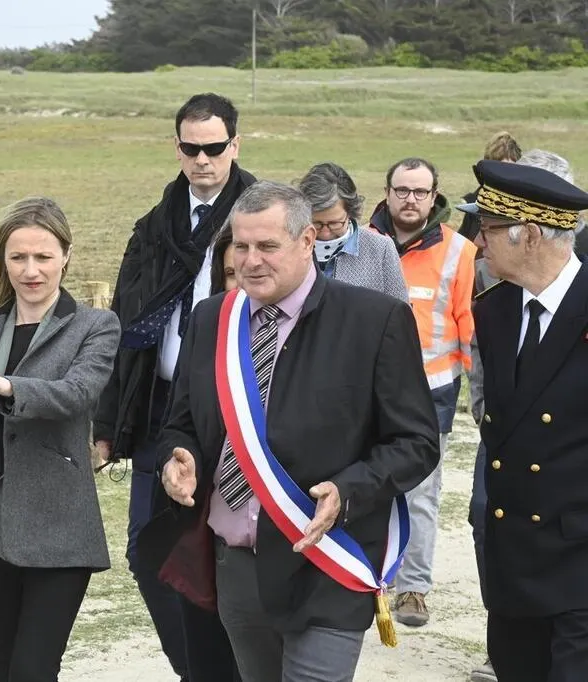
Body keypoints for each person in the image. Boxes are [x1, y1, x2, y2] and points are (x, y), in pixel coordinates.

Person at [147, 180, 439, 681]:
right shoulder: (212, 318)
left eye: (267, 246)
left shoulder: (373, 320)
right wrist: (180, 458)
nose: (250, 261)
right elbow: (182, 423)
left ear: (307, 242)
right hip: (237, 566)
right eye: (241, 246)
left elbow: (416, 443)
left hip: (325, 559)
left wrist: (349, 489)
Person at [93, 92, 256, 681]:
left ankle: (237, 666)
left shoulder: (260, 218)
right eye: (191, 148)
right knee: (147, 549)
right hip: (163, 403)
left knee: (225, 548)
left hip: (240, 404)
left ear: (235, 145)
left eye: (215, 147)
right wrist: (110, 424)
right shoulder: (155, 224)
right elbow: (123, 320)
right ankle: (197, 668)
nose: (203, 159)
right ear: (178, 147)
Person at [0, 197, 120, 682]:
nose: (31, 269)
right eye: (18, 257)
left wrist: (4, 386)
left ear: (66, 255)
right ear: (2, 260)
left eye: (43, 257)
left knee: (32, 671)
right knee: (5, 671)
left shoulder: (96, 325)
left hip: (58, 524)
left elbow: (77, 394)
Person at [458, 159, 588, 682]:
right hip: (514, 570)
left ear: (530, 234)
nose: (478, 243)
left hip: (579, 565)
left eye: (487, 230)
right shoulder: (494, 310)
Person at [369, 157, 477, 628]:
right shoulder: (364, 244)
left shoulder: (459, 251)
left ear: (434, 197)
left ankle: (413, 588)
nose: (410, 199)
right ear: (387, 192)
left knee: (421, 493)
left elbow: (470, 326)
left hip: (431, 392)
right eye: (402, 189)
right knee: (368, 485)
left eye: (420, 191)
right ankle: (371, 579)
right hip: (367, 389)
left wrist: (484, 392)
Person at [297, 162, 408, 303]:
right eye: (316, 224)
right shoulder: (289, 245)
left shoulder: (381, 249)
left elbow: (400, 314)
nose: (325, 233)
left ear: (350, 213)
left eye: (335, 224)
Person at [458, 132, 522, 243]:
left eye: (509, 169)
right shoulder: (477, 203)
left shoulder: (523, 204)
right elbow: (464, 242)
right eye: (498, 168)